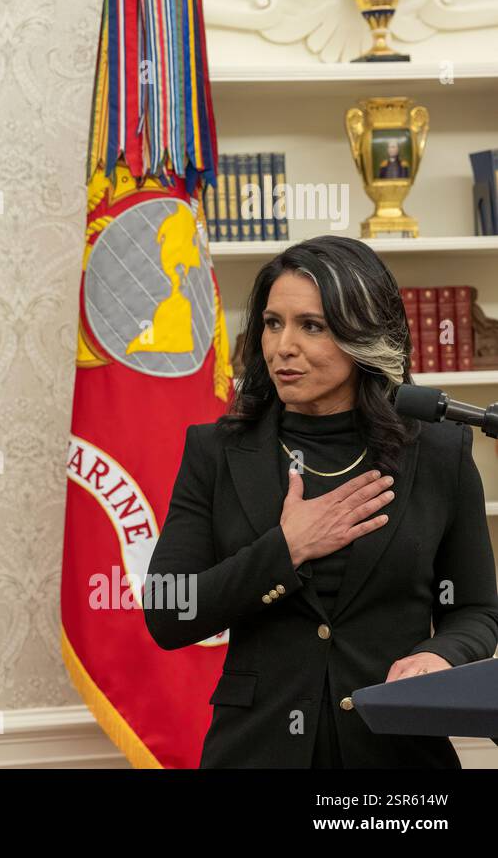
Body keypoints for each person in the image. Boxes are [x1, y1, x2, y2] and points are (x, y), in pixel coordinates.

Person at [144, 235, 498, 768]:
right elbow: (170, 612)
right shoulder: (216, 451)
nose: (283, 346)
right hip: (254, 750)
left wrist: (439, 653)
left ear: (364, 337)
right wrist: (286, 549)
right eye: (272, 323)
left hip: (397, 760)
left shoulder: (440, 452)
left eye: (313, 326)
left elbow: (475, 610)